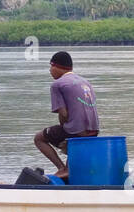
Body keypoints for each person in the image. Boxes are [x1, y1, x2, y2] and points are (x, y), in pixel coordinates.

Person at [33, 50, 99, 181]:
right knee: (70, 136)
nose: (50, 70)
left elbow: (63, 114)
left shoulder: (57, 85)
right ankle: (70, 170)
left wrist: (65, 130)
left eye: (51, 66)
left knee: (39, 138)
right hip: (94, 130)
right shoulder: (85, 82)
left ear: (58, 67)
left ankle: (62, 169)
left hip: (77, 131)